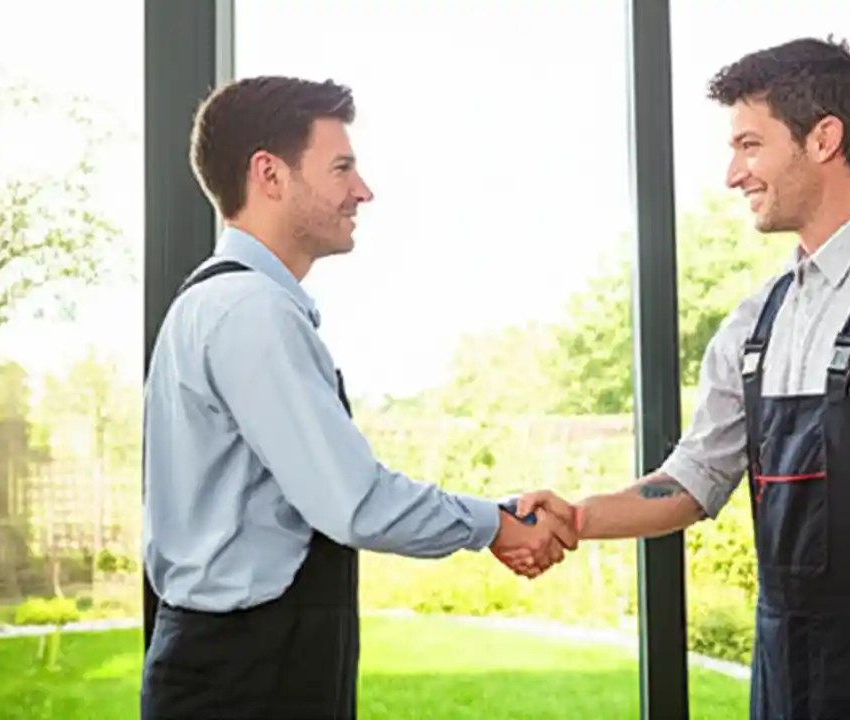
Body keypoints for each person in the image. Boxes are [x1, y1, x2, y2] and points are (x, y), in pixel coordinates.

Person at [514, 38, 850, 720]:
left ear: (824, 139)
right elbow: (695, 477)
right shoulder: (758, 321)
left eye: (750, 145)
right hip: (782, 673)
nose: (733, 174)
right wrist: (578, 517)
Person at [140, 76, 576, 720]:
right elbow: (354, 501)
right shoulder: (249, 312)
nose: (362, 190)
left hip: (248, 660)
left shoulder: (222, 304)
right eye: (341, 166)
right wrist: (493, 524)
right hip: (246, 678)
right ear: (269, 175)